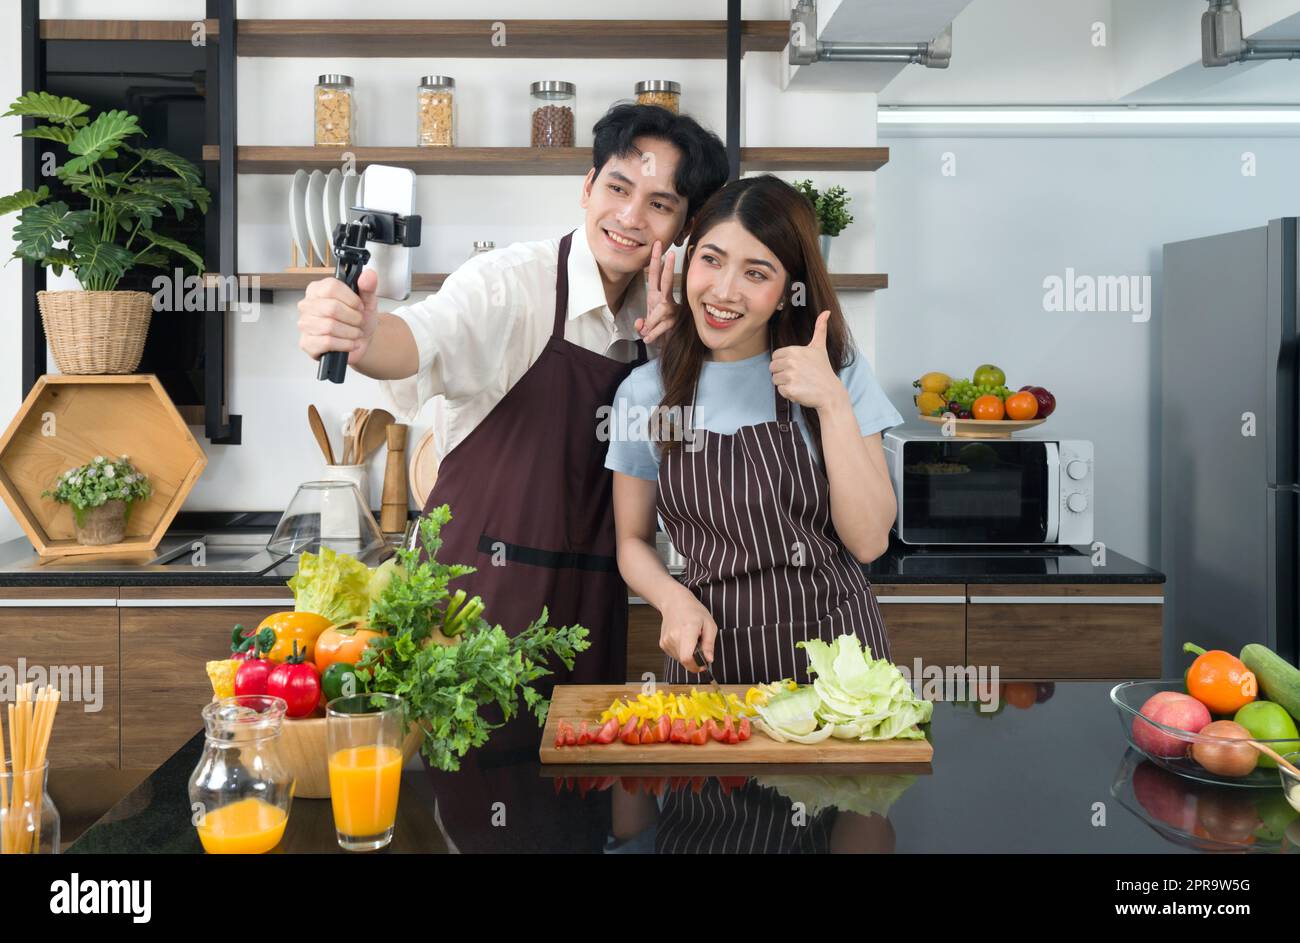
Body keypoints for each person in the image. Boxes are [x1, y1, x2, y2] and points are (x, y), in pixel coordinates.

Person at [296, 104, 729, 686]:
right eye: (618, 187)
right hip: (472, 609)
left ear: (683, 226)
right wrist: (366, 336)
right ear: (588, 187)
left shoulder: (664, 319)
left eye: (659, 204)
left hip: (589, 611)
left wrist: (676, 355)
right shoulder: (507, 285)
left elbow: (701, 464)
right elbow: (419, 339)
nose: (630, 216)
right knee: (471, 772)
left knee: (580, 772)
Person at [606, 174, 904, 685]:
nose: (724, 291)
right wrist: (671, 599)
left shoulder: (838, 372)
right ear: (688, 258)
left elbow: (870, 541)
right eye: (711, 260)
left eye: (756, 273)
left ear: (790, 290)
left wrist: (831, 401)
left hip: (839, 663)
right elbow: (631, 540)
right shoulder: (645, 392)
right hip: (709, 655)